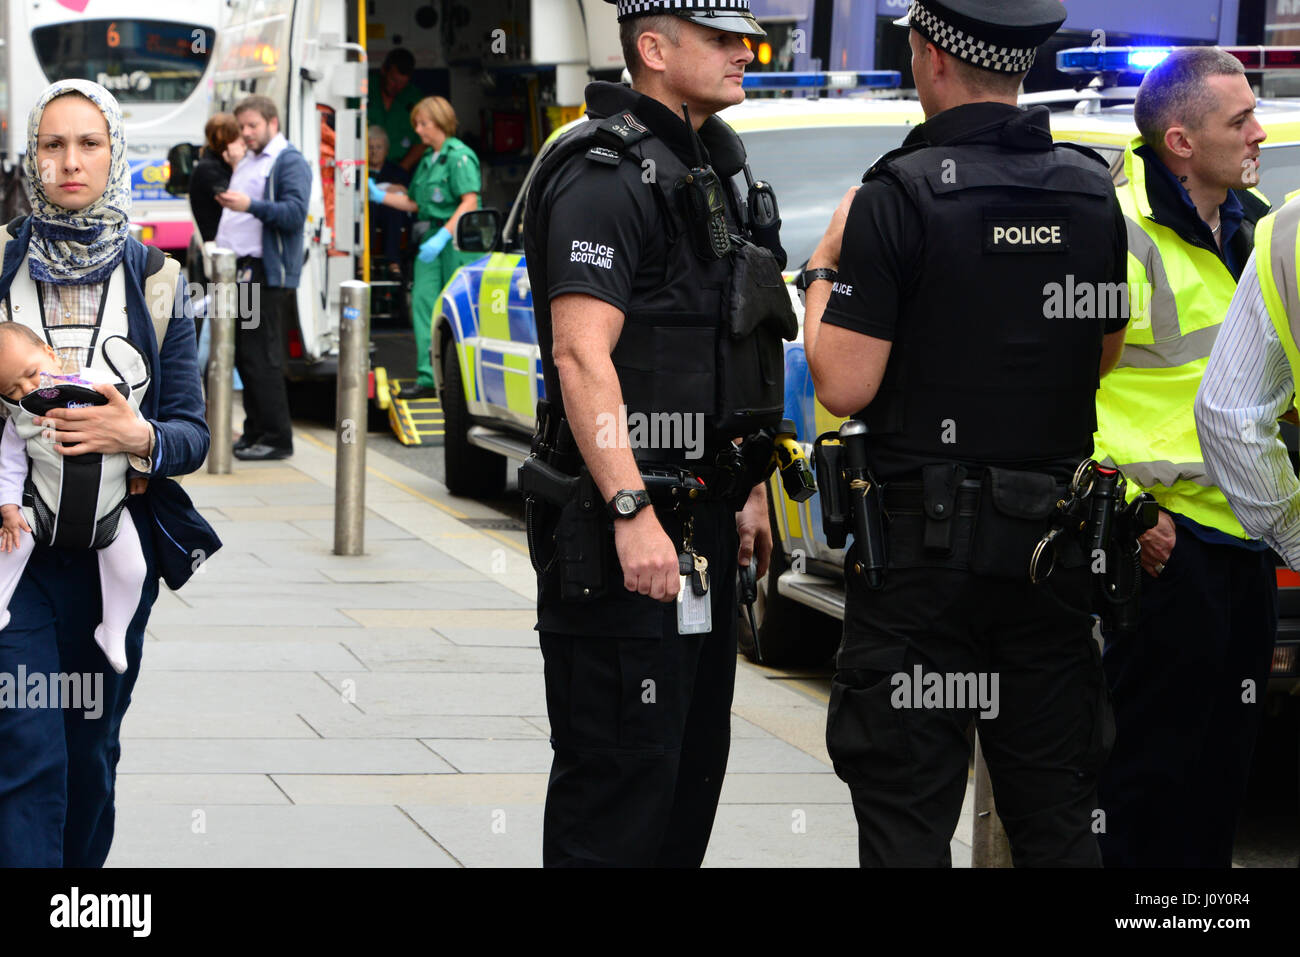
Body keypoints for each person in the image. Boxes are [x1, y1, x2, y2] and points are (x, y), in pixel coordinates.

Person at [803, 0, 1130, 867]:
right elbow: (1100, 355)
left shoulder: (895, 194)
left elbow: (841, 384)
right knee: (1057, 817)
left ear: (928, 55)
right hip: (1049, 556)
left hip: (922, 568)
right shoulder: (1092, 190)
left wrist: (823, 267)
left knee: (908, 819)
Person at [522, 0, 785, 867]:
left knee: (684, 787)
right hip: (622, 534)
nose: (744, 52)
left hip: (700, 526)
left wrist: (746, 491)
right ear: (653, 47)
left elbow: (727, 346)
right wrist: (632, 506)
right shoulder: (604, 176)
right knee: (620, 799)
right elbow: (580, 354)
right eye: (720, 38)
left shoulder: (710, 173)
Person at [0, 79, 212, 867]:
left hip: (111, 565)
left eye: (88, 143)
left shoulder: (156, 280)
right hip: (14, 562)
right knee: (27, 757)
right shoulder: (0, 261)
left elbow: (192, 430)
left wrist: (137, 434)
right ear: (32, 156)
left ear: (115, 152)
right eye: (52, 144)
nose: (69, 161)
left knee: (91, 758)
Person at [1089, 48, 1275, 869]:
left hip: (1248, 532)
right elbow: (1061, 389)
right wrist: (1129, 513)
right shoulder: (1113, 232)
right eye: (1239, 120)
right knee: (1144, 777)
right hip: (1163, 545)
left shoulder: (1254, 224)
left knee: (1222, 774)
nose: (1258, 132)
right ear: (1181, 141)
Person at [0, 323, 151, 673]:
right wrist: (9, 508)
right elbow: (8, 464)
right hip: (41, 510)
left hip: (109, 508)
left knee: (132, 569)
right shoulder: (20, 416)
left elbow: (134, 425)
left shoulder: (100, 385)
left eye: (32, 373)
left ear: (50, 354)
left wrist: (139, 470)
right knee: (11, 544)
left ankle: (113, 631)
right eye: (11, 388)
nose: (27, 388)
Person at [214, 95, 311, 461]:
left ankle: (276, 437)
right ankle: (255, 430)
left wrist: (249, 206)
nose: (247, 133)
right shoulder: (253, 159)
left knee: (261, 356)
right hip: (242, 270)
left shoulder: (289, 161)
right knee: (244, 355)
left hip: (265, 273)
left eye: (253, 125)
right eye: (243, 127)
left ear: (273, 122)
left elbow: (294, 213)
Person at [369, 97, 480, 400]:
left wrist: (443, 236)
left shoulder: (459, 157)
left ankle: (463, 377)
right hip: (432, 236)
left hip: (456, 241)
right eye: (416, 124)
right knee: (422, 303)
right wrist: (378, 196)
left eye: (423, 124)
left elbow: (469, 200)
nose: (418, 130)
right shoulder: (429, 160)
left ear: (441, 122)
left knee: (458, 310)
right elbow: (414, 203)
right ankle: (428, 375)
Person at [368, 48, 424, 173]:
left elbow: (422, 141)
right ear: (384, 70)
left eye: (402, 83)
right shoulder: (363, 89)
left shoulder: (414, 97)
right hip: (363, 166)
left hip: (400, 168)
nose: (397, 87)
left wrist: (400, 171)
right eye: (393, 80)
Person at [189, 113, 241, 245]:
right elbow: (236, 203)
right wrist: (237, 165)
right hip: (219, 243)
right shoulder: (209, 169)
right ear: (229, 141)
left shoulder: (214, 164)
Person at [367, 125, 411, 279]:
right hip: (369, 215)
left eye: (378, 147)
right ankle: (365, 261)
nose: (374, 151)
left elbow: (408, 193)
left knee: (394, 208)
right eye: (370, 147)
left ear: (386, 150)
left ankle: (393, 262)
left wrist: (397, 189)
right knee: (368, 209)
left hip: (391, 217)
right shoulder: (358, 170)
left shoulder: (397, 171)